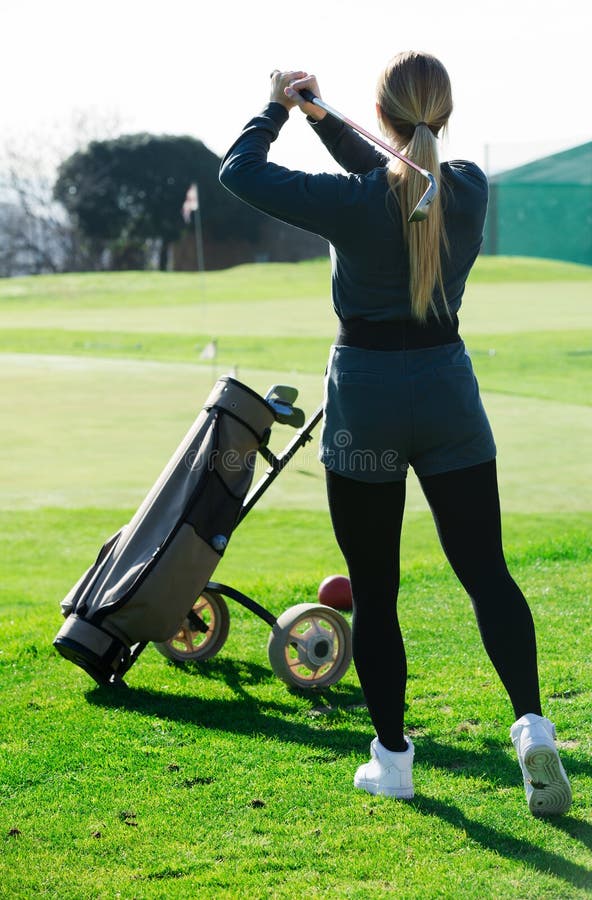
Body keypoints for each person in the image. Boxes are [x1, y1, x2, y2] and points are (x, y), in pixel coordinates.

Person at [219, 52, 572, 816]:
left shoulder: (350, 203)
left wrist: (277, 109)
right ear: (445, 111)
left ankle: (394, 760)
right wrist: (324, 119)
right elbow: (403, 177)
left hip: (369, 407)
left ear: (381, 119)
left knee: (376, 593)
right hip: (449, 398)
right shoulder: (470, 188)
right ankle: (533, 725)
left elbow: (238, 172)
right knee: (488, 573)